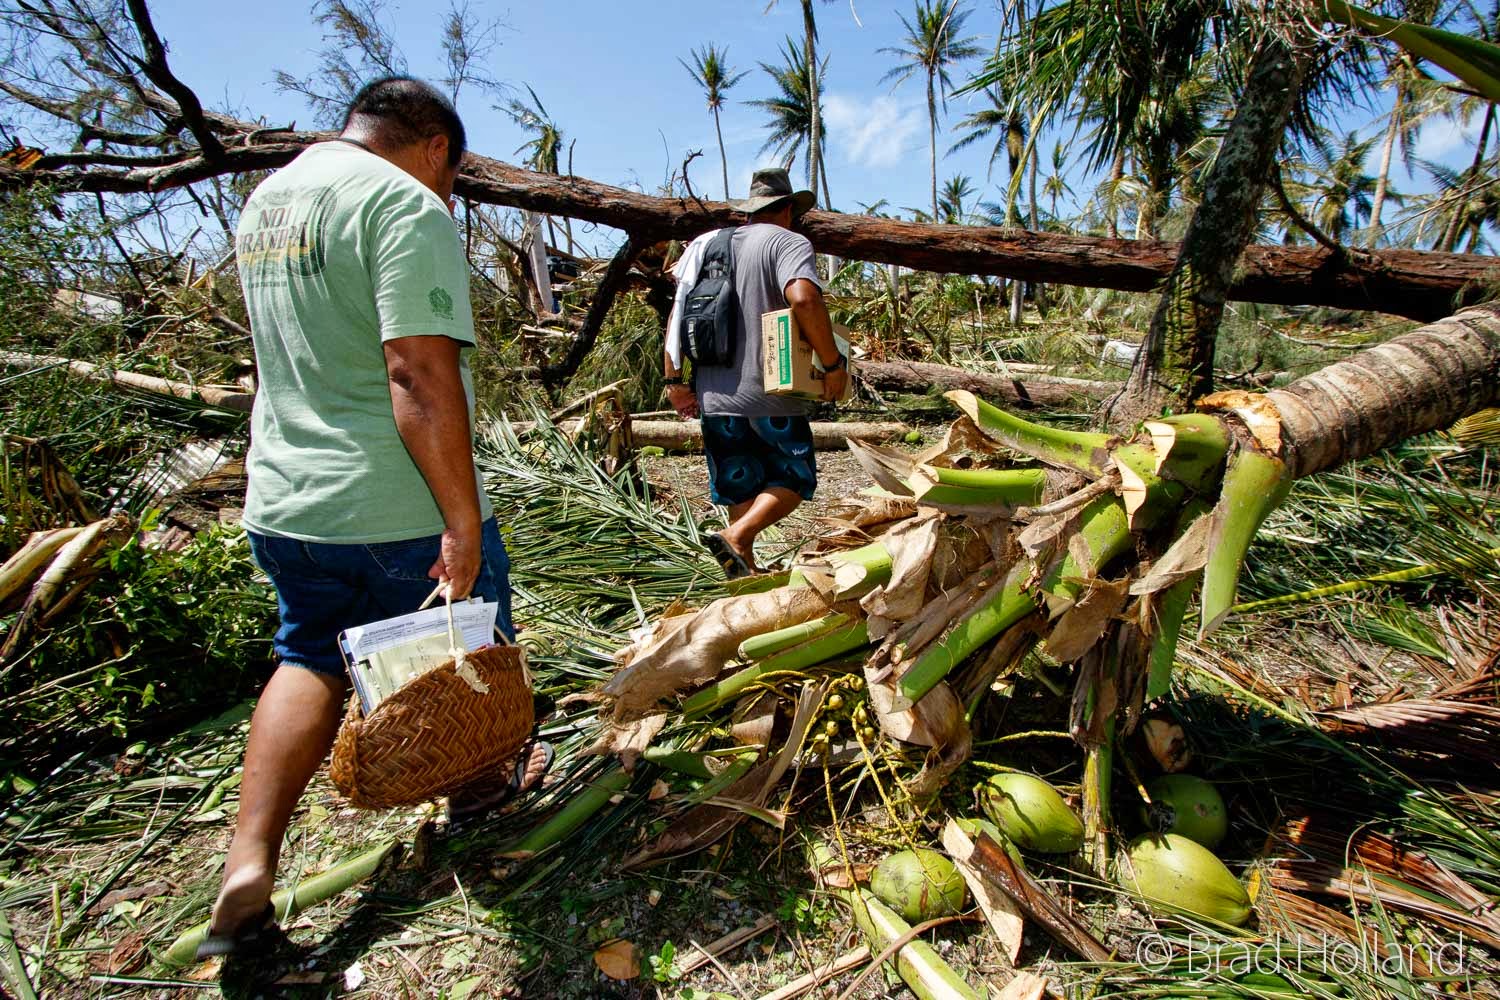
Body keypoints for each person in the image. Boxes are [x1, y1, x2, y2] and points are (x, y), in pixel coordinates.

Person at [201, 77, 549, 958]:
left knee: (308, 657)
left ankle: (249, 865)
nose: (450, 194)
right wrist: (462, 520)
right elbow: (415, 374)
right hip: (390, 502)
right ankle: (475, 793)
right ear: (436, 147)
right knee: (463, 654)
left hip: (287, 495)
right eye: (455, 176)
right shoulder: (403, 204)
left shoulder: (269, 199)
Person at [664, 167, 849, 578]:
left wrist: (673, 381)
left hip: (714, 395)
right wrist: (833, 364)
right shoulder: (788, 242)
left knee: (740, 480)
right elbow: (803, 300)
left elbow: (677, 314)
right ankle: (739, 535)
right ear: (786, 209)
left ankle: (742, 570)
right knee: (796, 475)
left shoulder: (708, 246)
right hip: (772, 391)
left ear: (750, 210)